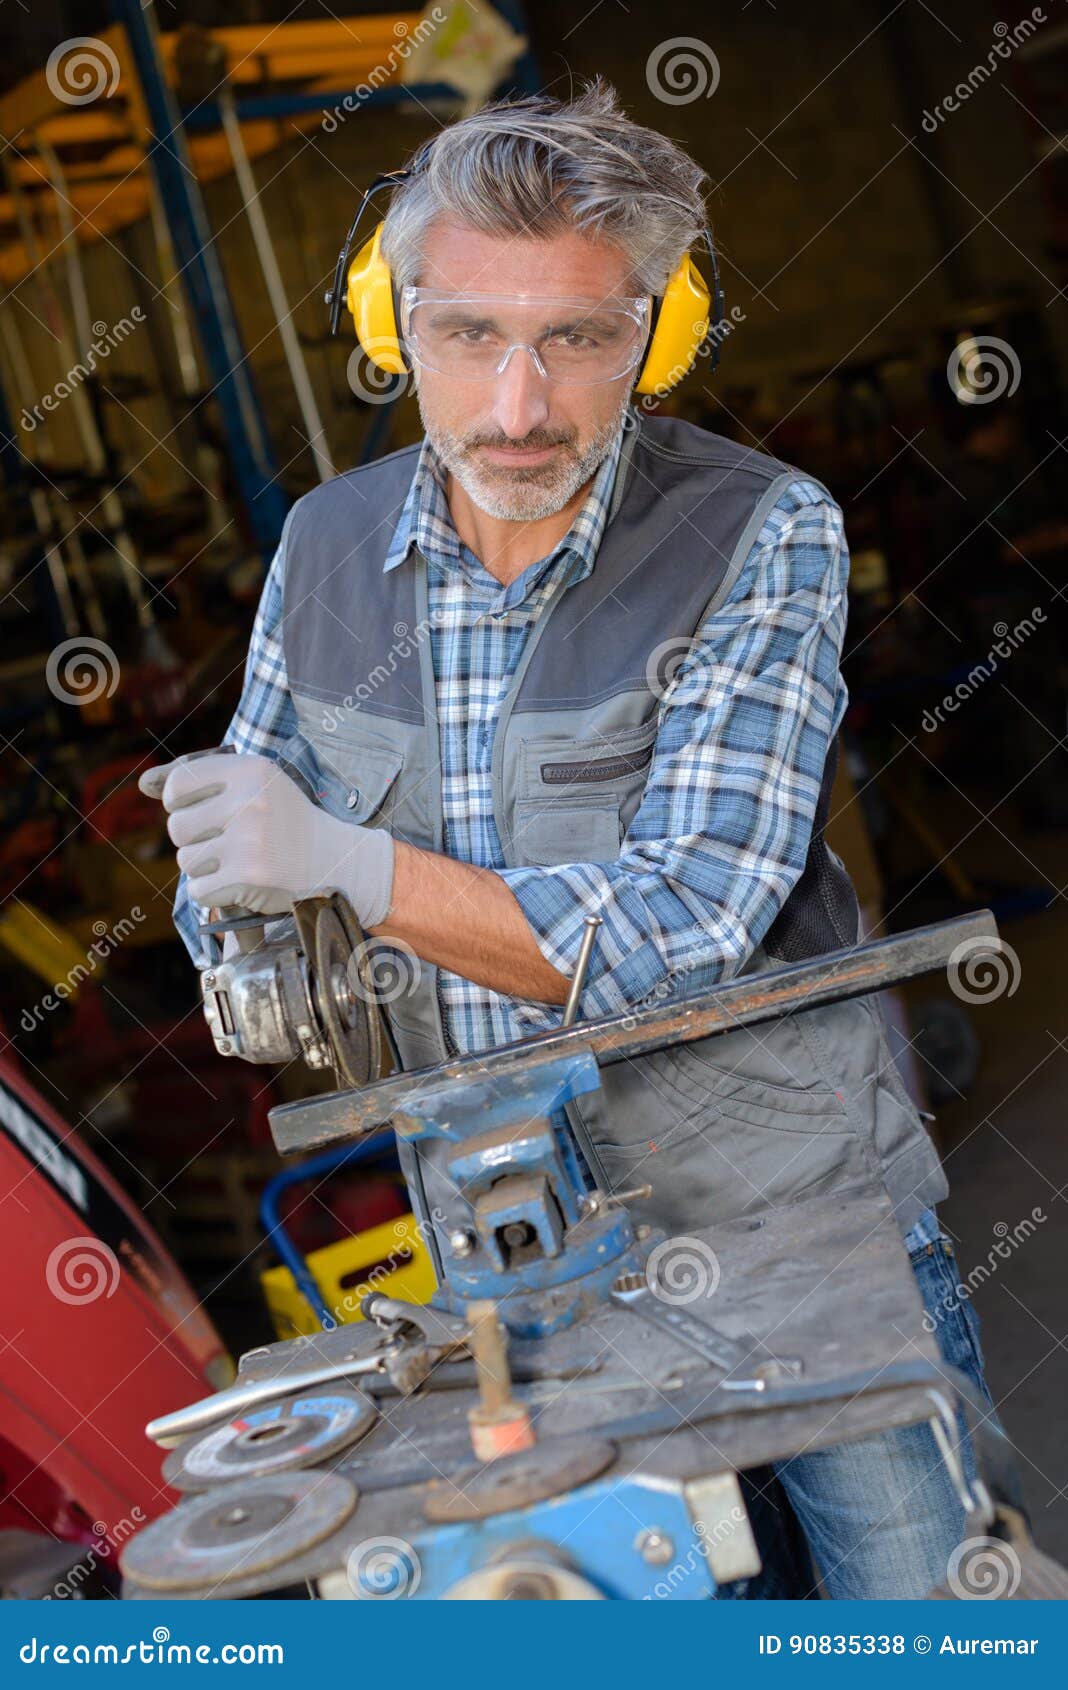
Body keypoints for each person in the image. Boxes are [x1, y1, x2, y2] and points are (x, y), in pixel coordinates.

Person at [142, 81, 996, 1599]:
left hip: (793, 1230)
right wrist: (241, 915)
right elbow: (251, 900)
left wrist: (347, 865)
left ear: (654, 340)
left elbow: (680, 926)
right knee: (617, 1615)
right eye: (468, 336)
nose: (518, 408)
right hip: (505, 1267)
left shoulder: (761, 529)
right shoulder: (325, 549)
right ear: (396, 325)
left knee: (917, 1615)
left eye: (579, 340)